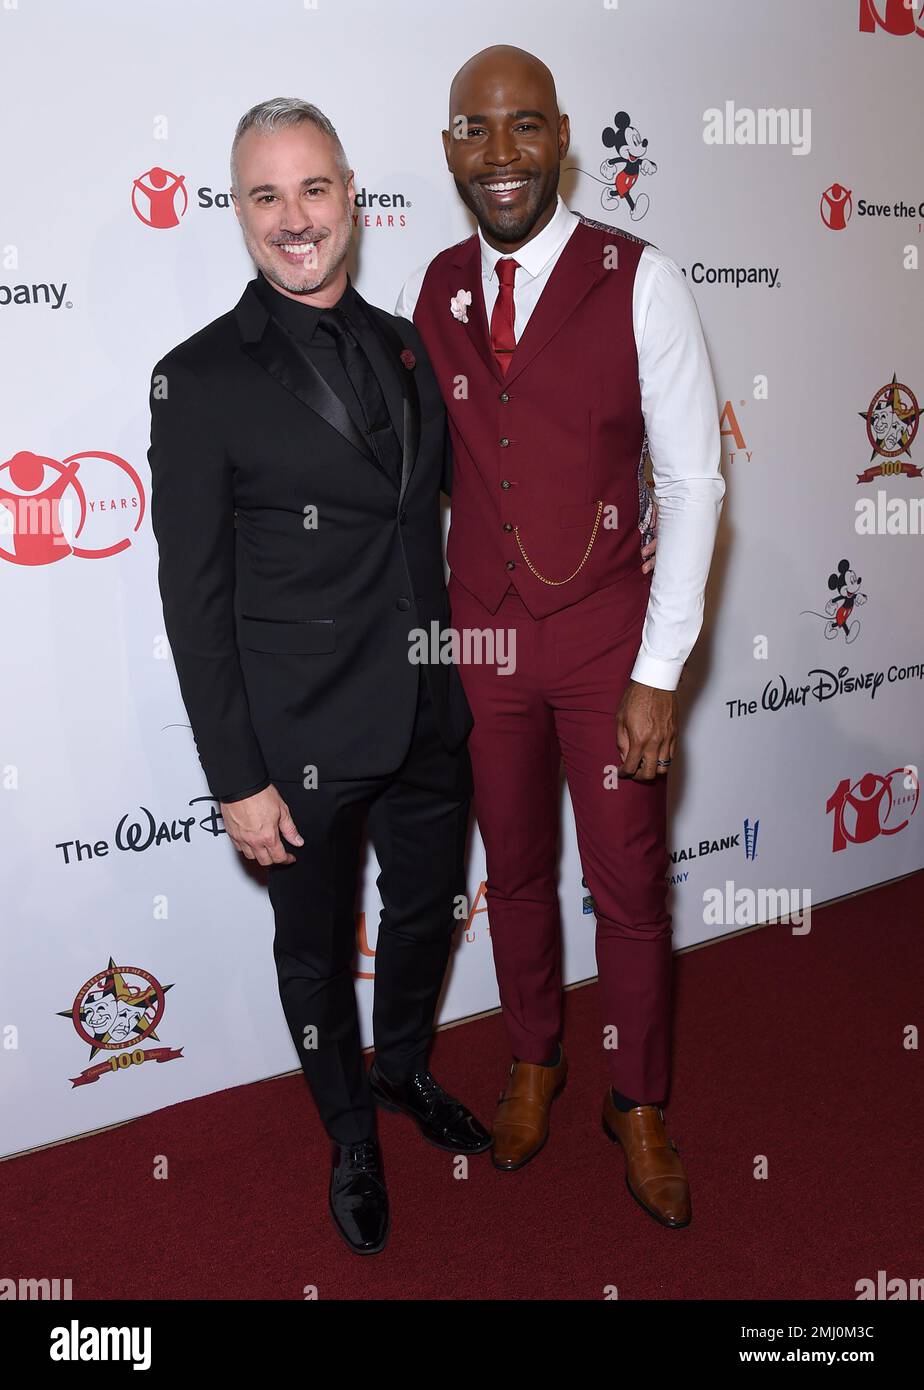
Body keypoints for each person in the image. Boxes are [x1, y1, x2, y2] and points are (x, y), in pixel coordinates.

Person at [147, 97, 492, 1257]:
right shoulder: (195, 380)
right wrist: (237, 776)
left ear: (351, 195)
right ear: (236, 211)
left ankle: (402, 1070)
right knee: (312, 954)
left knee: (425, 913)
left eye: (314, 190)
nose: (295, 220)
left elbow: (431, 526)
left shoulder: (406, 343)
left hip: (428, 716)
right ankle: (350, 1132)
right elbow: (192, 601)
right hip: (295, 744)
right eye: (265, 196)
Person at [397, 46, 725, 1228]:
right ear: (448, 148)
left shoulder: (641, 278)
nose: (499, 155)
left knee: (631, 886)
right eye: (474, 131)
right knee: (519, 872)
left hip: (604, 645)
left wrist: (658, 670)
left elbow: (692, 483)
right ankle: (536, 1059)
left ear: (563, 136)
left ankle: (636, 1098)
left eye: (523, 126)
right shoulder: (434, 288)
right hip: (481, 645)